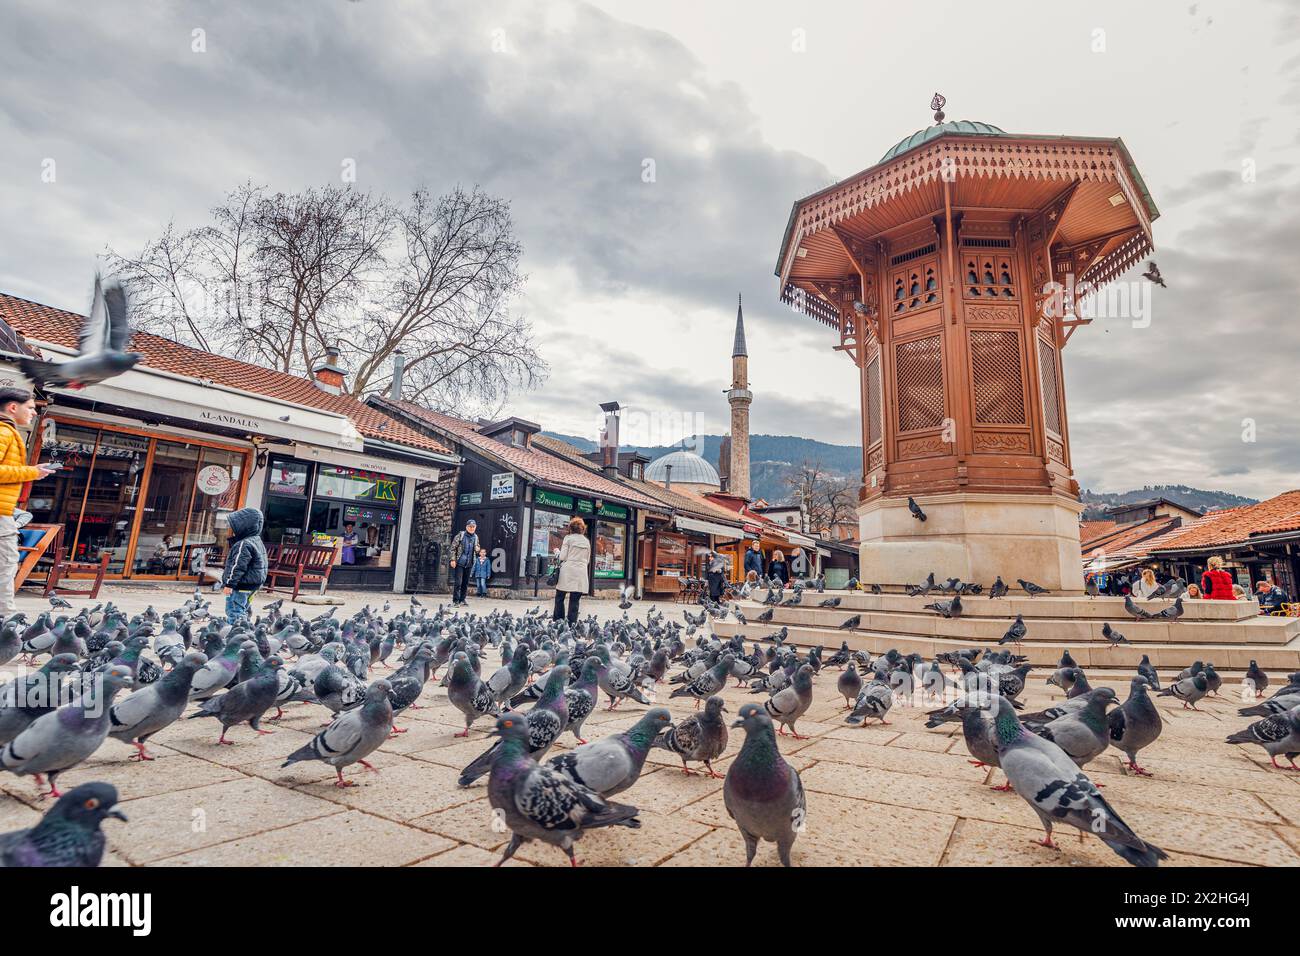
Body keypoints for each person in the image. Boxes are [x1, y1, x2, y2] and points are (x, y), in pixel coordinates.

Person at [0, 388, 56, 615]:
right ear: (13, 407)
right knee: (6, 564)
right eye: (31, 407)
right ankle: (6, 621)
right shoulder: (4, 433)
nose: (34, 413)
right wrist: (30, 472)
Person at [221, 507, 268, 623]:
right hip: (252, 586)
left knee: (235, 612)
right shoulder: (257, 541)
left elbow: (237, 566)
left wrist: (229, 584)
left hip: (240, 585)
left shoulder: (243, 544)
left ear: (244, 526)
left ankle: (235, 635)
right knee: (243, 611)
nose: (232, 529)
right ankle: (244, 633)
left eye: (235, 526)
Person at [552, 516, 590, 624]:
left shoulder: (568, 538)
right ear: (582, 529)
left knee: (560, 596)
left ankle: (559, 621)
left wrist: (556, 552)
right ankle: (571, 624)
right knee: (575, 600)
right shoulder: (586, 541)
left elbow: (563, 557)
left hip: (568, 571)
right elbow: (587, 560)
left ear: (571, 528)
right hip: (581, 573)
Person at [449, 519, 479, 607]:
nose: (472, 528)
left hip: (469, 563)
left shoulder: (476, 537)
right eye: (470, 526)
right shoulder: (460, 535)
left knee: (465, 583)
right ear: (467, 527)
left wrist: (477, 549)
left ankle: (462, 599)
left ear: (475, 527)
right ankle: (456, 601)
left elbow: (477, 547)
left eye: (473, 527)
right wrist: (452, 560)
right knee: (458, 582)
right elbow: (453, 548)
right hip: (459, 562)